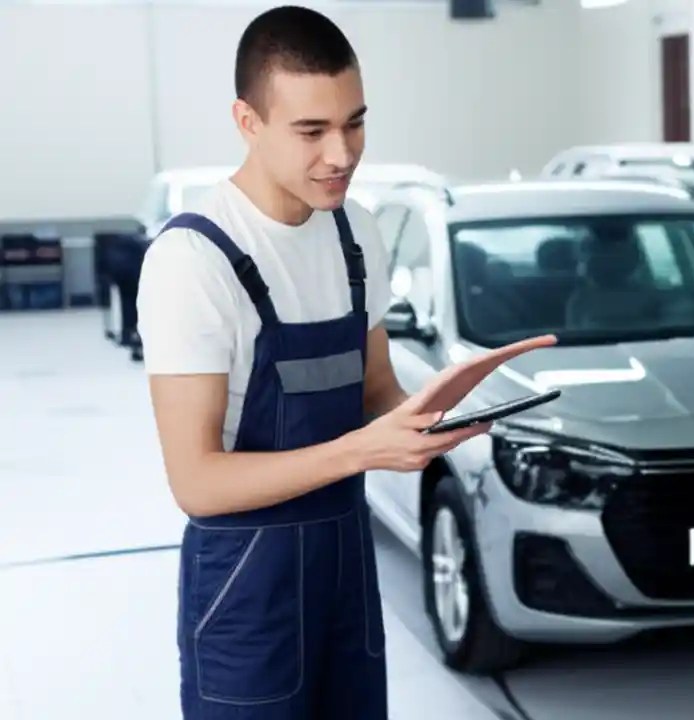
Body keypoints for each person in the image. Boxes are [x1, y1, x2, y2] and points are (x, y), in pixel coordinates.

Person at [135, 6, 554, 718]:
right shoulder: (192, 260)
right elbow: (196, 482)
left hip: (346, 570)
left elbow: (375, 390)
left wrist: (430, 419)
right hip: (245, 592)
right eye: (311, 131)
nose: (342, 153)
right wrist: (364, 451)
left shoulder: (355, 232)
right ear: (247, 121)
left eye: (354, 123)